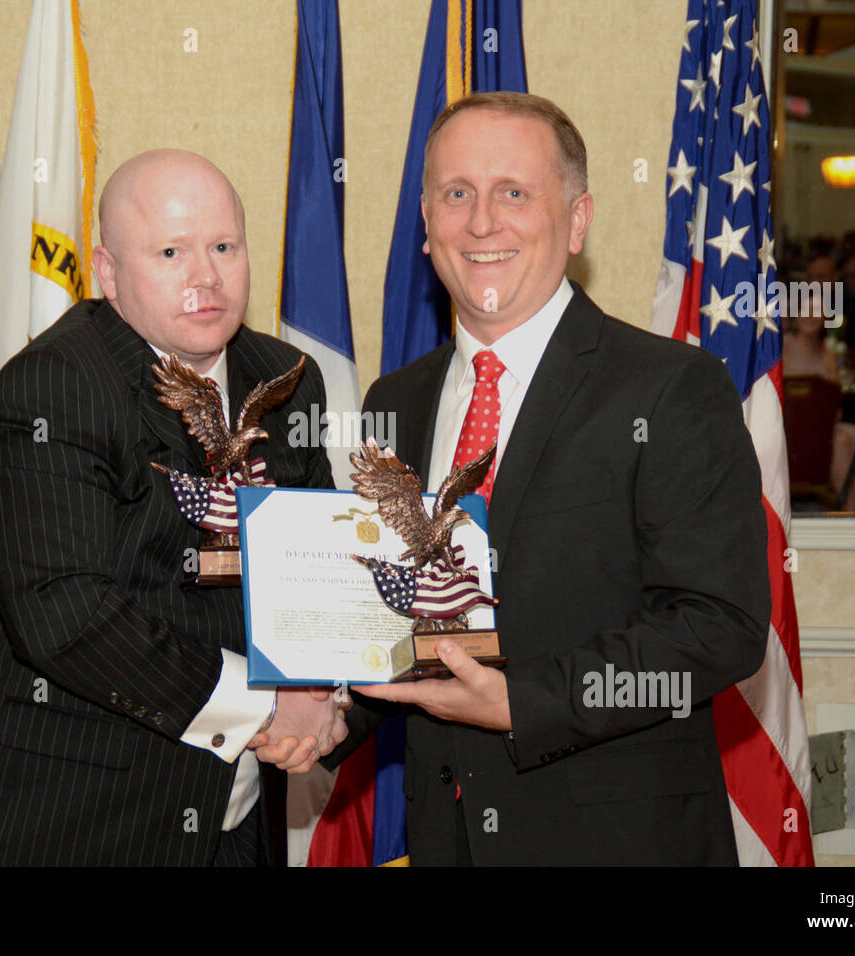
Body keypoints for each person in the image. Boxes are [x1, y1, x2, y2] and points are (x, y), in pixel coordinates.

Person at [330, 92, 770, 865]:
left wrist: (522, 703)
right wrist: (330, 714)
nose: (481, 222)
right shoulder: (392, 403)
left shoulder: (671, 389)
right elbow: (398, 619)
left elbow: (718, 627)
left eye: (514, 193)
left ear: (576, 220)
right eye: (456, 194)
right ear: (426, 225)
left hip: (618, 841)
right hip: (445, 836)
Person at [0, 150, 347, 866]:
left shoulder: (284, 379)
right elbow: (66, 615)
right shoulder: (50, 391)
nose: (205, 276)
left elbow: (320, 568)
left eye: (223, 247)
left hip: (233, 822)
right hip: (67, 826)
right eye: (171, 251)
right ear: (107, 272)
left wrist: (327, 698)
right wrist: (271, 706)